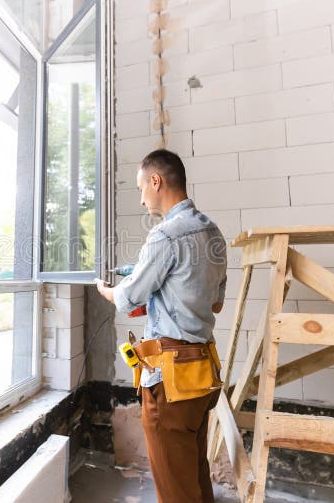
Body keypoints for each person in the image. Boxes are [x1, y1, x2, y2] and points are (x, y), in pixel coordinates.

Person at [96, 148, 228, 503]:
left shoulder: (165, 236)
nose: (141, 199)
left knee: (174, 490)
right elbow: (214, 301)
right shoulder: (212, 233)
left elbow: (128, 298)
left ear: (156, 181)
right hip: (201, 378)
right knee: (194, 479)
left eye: (141, 188)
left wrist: (107, 291)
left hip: (170, 385)